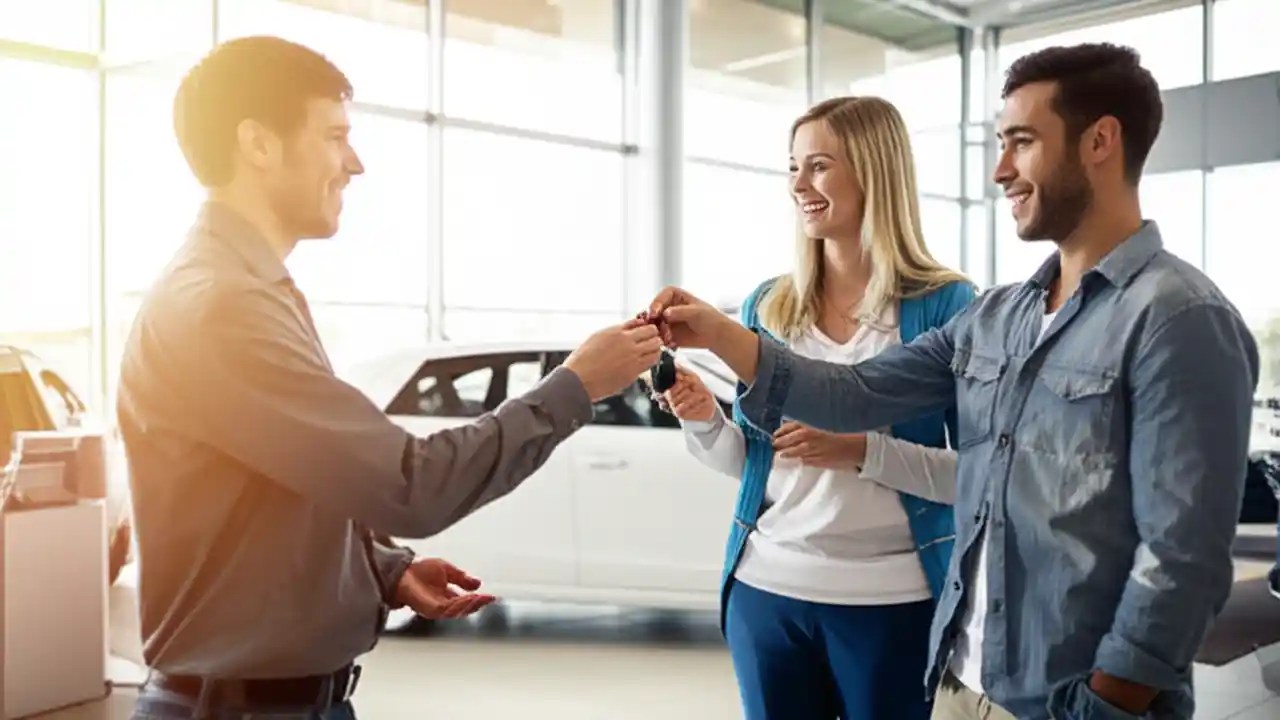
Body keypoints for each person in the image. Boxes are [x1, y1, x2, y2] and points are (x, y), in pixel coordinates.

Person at [646, 43, 1259, 720]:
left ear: (1100, 142)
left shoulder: (1181, 319)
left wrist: (1107, 705)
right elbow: (852, 396)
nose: (1000, 171)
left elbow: (1181, 559)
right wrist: (720, 333)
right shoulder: (999, 316)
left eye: (1021, 143)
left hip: (1066, 703)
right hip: (965, 687)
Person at [117, 36, 661, 720]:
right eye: (335, 135)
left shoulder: (250, 291)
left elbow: (283, 495)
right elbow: (410, 483)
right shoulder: (221, 306)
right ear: (258, 144)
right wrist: (577, 384)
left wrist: (386, 570)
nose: (355, 163)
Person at [661, 96, 973, 720]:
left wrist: (863, 452)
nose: (799, 184)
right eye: (793, 167)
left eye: (819, 166)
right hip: (767, 591)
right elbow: (754, 466)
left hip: (893, 600)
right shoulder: (767, 308)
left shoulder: (947, 306)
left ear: (873, 171)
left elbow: (978, 475)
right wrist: (702, 419)